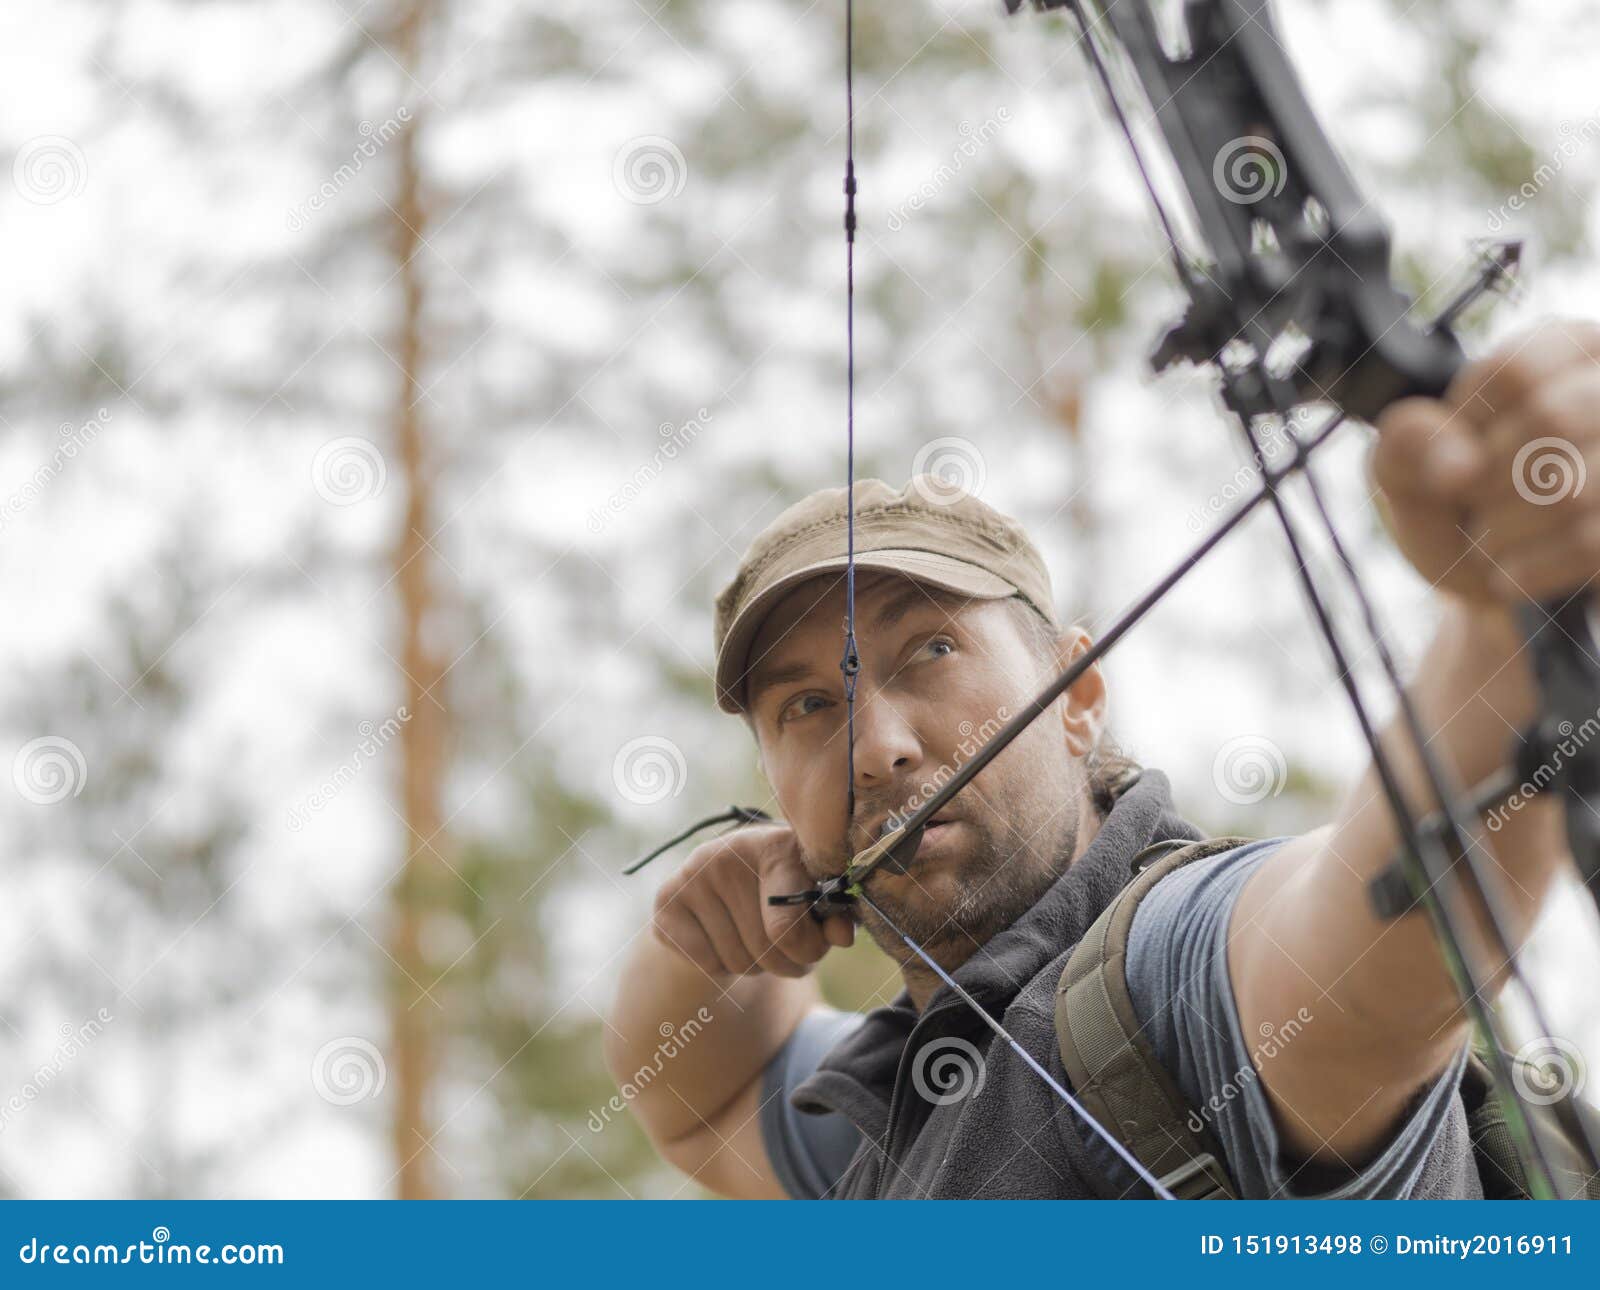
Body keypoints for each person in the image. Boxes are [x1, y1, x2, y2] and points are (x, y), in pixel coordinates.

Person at [606, 321, 1600, 1199]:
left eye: (931, 653)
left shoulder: (1170, 971)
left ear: (1076, 696)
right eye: (808, 706)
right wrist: (714, 916)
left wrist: (1509, 614)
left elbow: (1367, 961)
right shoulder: (885, 1114)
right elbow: (693, 1097)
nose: (876, 747)